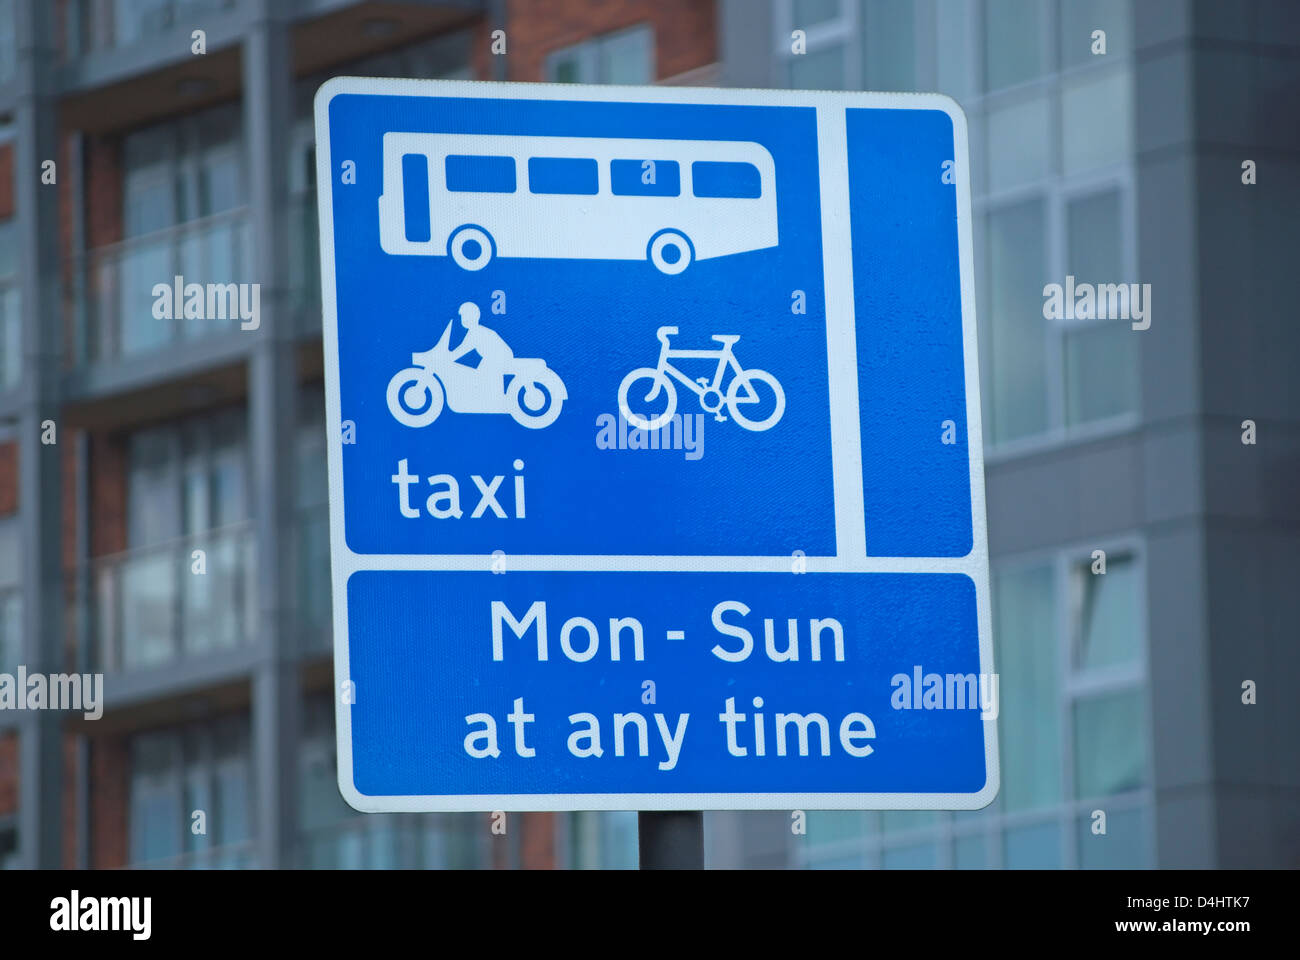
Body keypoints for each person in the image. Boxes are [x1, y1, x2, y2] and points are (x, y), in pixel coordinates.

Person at [447, 300, 513, 393]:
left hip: (499, 357)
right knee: (479, 373)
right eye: (462, 316)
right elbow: (462, 348)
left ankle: (492, 396)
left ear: (475, 316)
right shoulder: (473, 331)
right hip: (493, 358)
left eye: (466, 315)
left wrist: (448, 358)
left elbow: (462, 350)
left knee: (480, 375)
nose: (463, 318)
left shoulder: (477, 332)